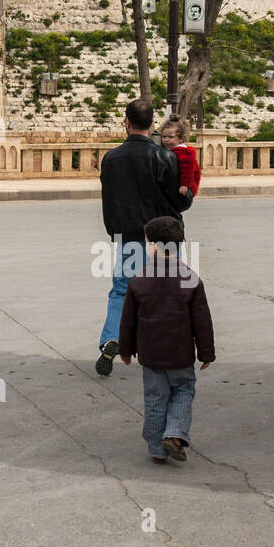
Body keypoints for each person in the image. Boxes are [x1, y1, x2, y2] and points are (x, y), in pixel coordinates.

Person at [95, 99, 192, 377]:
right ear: (152, 125)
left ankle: (112, 338)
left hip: (129, 236)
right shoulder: (166, 157)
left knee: (122, 291)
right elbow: (179, 202)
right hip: (163, 237)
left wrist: (115, 230)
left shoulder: (111, 158)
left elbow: (109, 201)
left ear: (126, 122)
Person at [118, 214, 215, 463]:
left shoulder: (139, 280)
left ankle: (156, 449)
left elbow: (128, 320)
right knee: (183, 391)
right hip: (181, 355)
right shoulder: (191, 279)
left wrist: (126, 350)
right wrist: (206, 353)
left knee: (155, 399)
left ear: (151, 246)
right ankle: (174, 434)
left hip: (151, 355)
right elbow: (202, 321)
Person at [160, 114, 201, 198]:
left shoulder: (183, 151)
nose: (166, 140)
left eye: (170, 137)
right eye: (164, 136)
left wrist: (184, 185)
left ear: (181, 139)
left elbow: (187, 170)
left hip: (186, 186)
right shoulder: (171, 150)